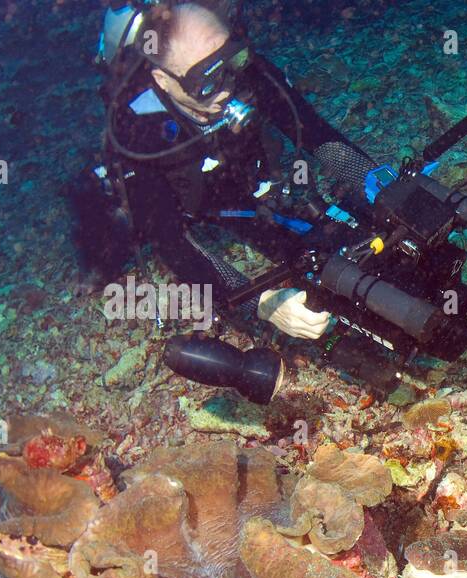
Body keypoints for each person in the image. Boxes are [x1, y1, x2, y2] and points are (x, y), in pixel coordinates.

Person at [79, 1, 377, 340]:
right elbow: (169, 241)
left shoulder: (244, 73)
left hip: (233, 173)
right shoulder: (136, 130)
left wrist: (380, 184)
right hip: (181, 190)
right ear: (163, 79)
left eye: (231, 63)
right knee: (111, 237)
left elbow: (314, 132)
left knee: (309, 238)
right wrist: (261, 303)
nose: (225, 88)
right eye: (205, 83)